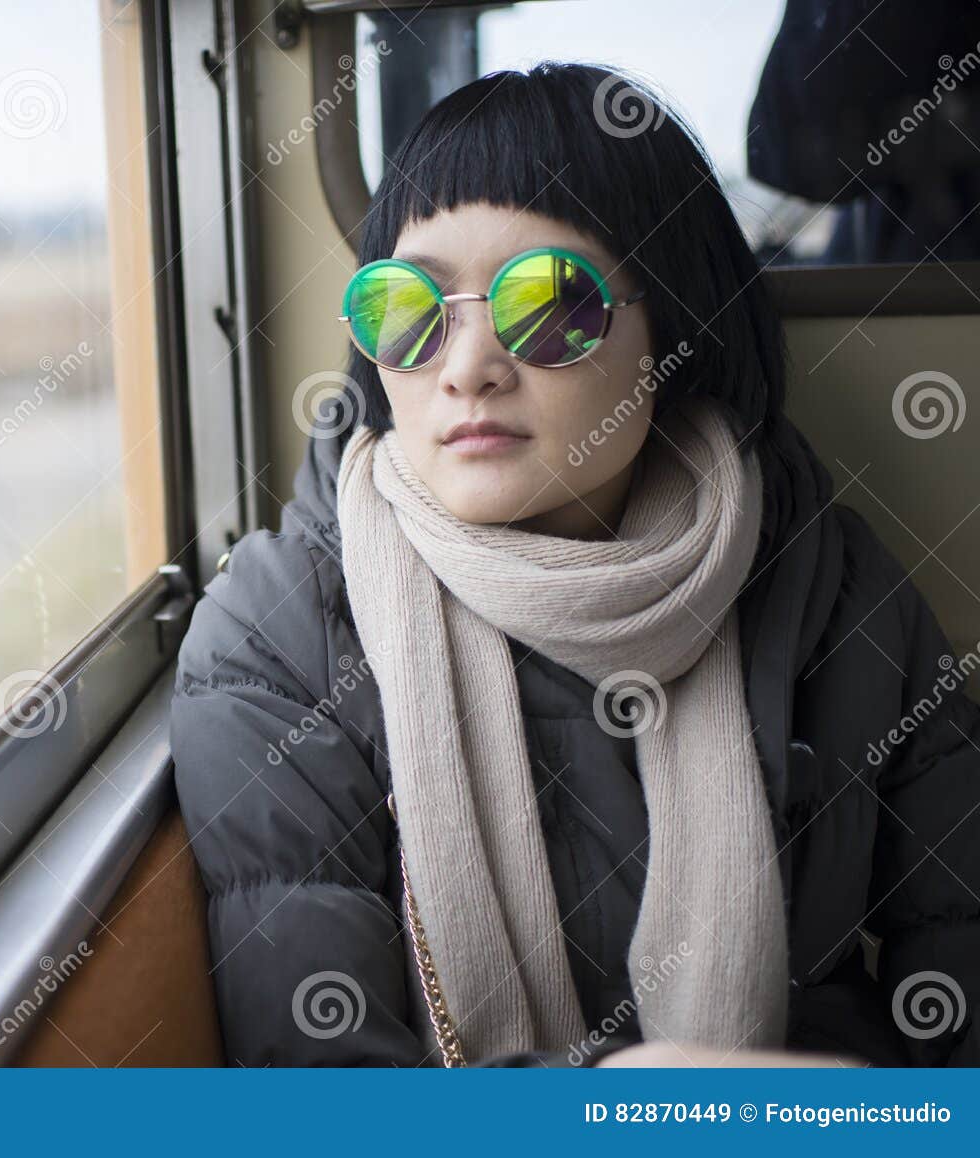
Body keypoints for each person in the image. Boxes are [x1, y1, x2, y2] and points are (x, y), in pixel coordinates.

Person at [169, 62, 980, 1067]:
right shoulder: (279, 629)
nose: (465, 366)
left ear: (673, 325)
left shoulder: (824, 575)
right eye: (403, 308)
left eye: (547, 304)